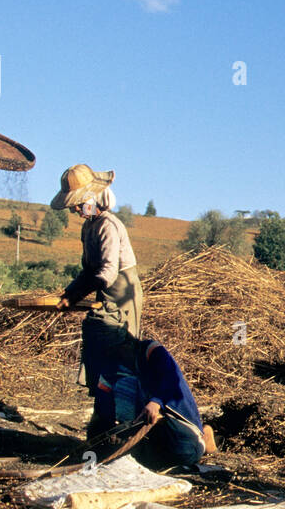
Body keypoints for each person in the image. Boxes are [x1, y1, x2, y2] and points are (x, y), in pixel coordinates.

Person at [50, 165, 142, 395]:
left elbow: (108, 273)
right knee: (96, 337)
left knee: (119, 347)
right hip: (105, 292)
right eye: (75, 207)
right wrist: (68, 295)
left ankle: (121, 408)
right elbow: (88, 271)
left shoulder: (108, 226)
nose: (77, 211)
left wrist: (77, 295)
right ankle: (102, 400)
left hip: (122, 294)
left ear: (93, 199)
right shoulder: (88, 227)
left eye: (80, 205)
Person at [87, 325, 215, 469]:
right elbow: (102, 409)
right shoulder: (110, 368)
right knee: (136, 460)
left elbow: (171, 381)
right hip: (138, 428)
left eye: (116, 350)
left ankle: (203, 441)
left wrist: (156, 402)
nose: (113, 356)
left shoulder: (152, 352)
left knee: (184, 456)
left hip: (171, 421)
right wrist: (99, 438)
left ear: (128, 344)